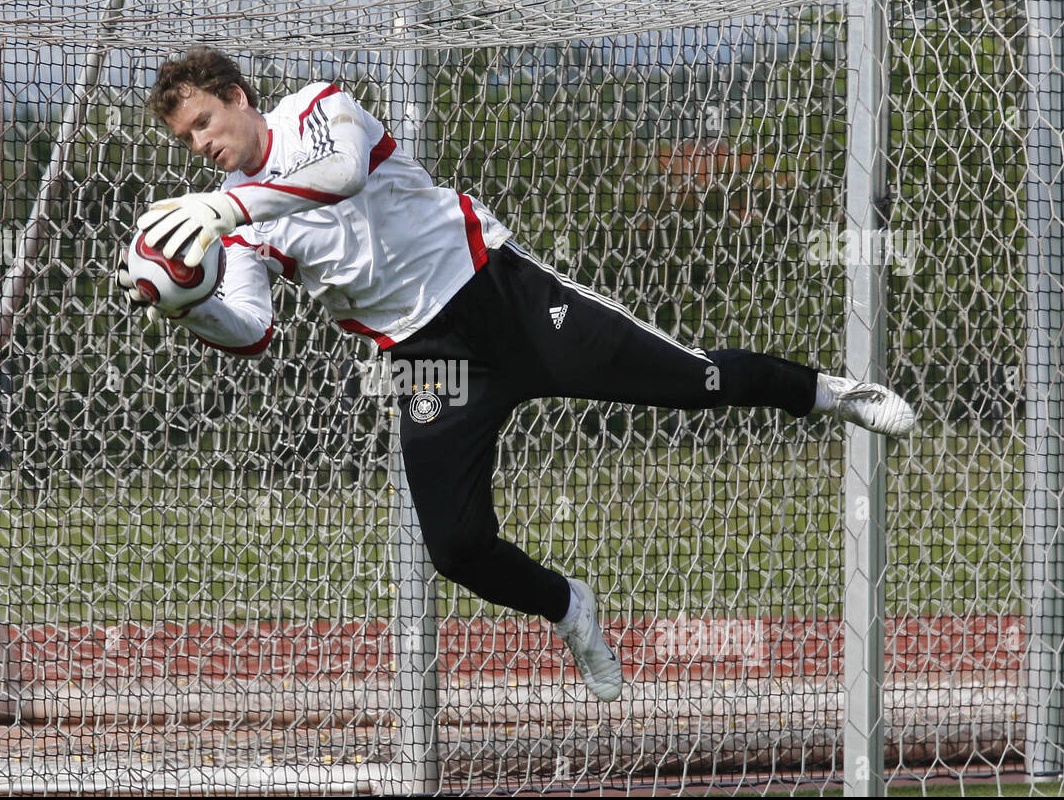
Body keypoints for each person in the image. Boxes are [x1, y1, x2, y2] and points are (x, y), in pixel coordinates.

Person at [118, 46, 916, 702]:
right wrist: (187, 304)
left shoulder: (317, 109)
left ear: (236, 94)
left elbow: (345, 175)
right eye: (188, 144)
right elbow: (251, 330)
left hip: (502, 296)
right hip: (424, 359)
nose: (203, 148)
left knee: (695, 381)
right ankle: (569, 608)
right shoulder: (232, 221)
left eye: (203, 124)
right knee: (457, 546)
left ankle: (831, 392)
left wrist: (231, 210)